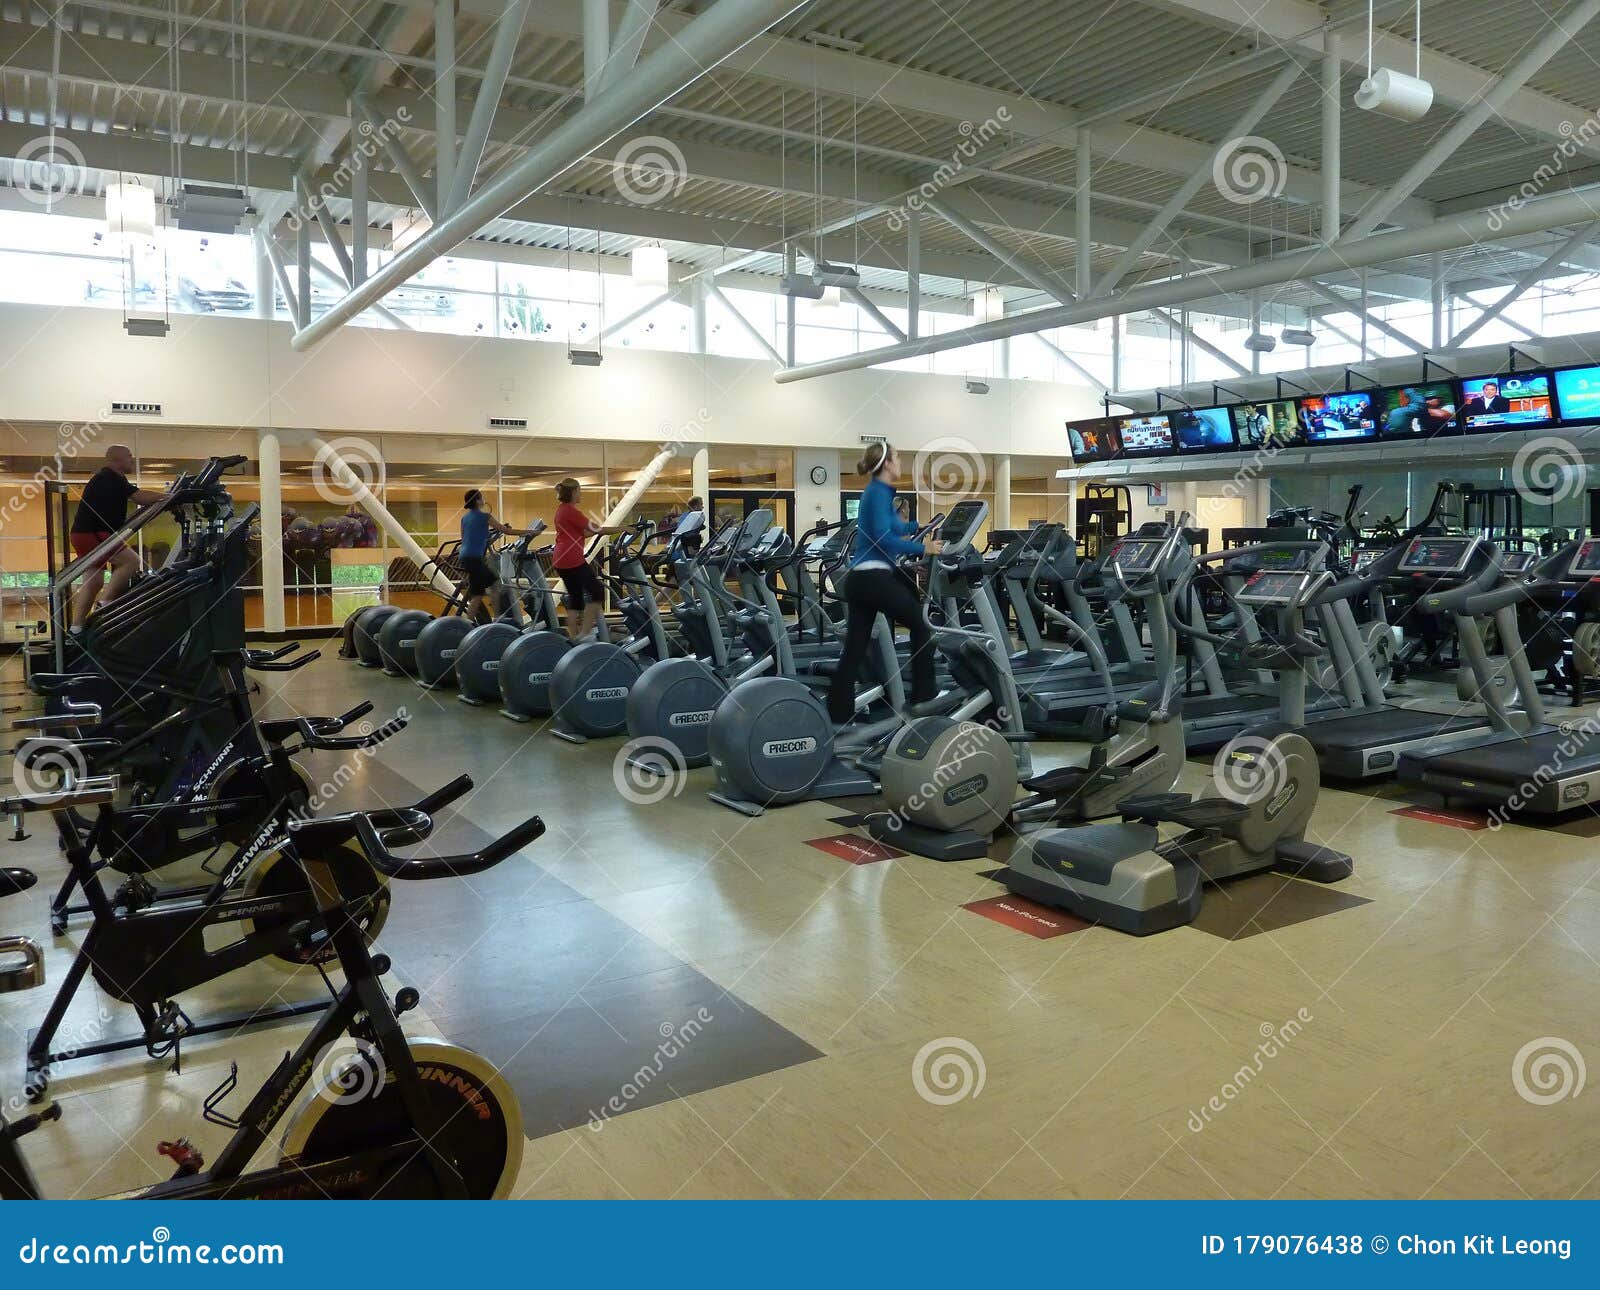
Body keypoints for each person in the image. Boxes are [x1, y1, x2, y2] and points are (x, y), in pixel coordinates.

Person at [826, 443, 942, 725]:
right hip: (872, 579)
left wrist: (918, 526)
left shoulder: (880, 494)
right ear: (887, 463)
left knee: (855, 648)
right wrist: (923, 549)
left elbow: (893, 527)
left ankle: (836, 713)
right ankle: (923, 695)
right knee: (920, 621)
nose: (901, 462)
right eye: (899, 457)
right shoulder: (877, 493)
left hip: (862, 580)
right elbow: (881, 538)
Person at [68, 444, 164, 630]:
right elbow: (139, 497)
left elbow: (136, 496)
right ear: (117, 459)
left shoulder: (110, 478)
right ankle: (105, 607)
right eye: (128, 456)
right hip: (93, 533)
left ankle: (76, 628)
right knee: (131, 562)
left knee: (94, 581)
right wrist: (169, 496)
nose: (131, 459)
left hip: (83, 534)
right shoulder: (110, 477)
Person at [552, 478, 626, 640]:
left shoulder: (561, 510)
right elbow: (596, 528)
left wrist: (597, 532)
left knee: (575, 597)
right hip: (572, 559)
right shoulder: (571, 511)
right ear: (573, 492)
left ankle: (574, 637)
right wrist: (623, 528)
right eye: (579, 491)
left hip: (561, 559)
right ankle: (585, 633)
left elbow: (584, 533)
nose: (581, 494)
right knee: (597, 592)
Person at [459, 489, 540, 624]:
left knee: (477, 594)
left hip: (465, 558)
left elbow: (465, 540)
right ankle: (496, 618)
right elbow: (506, 530)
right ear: (478, 500)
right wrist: (530, 531)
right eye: (482, 497)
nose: (484, 499)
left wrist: (484, 540)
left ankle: (468, 624)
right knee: (494, 585)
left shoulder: (464, 518)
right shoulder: (484, 517)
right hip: (475, 558)